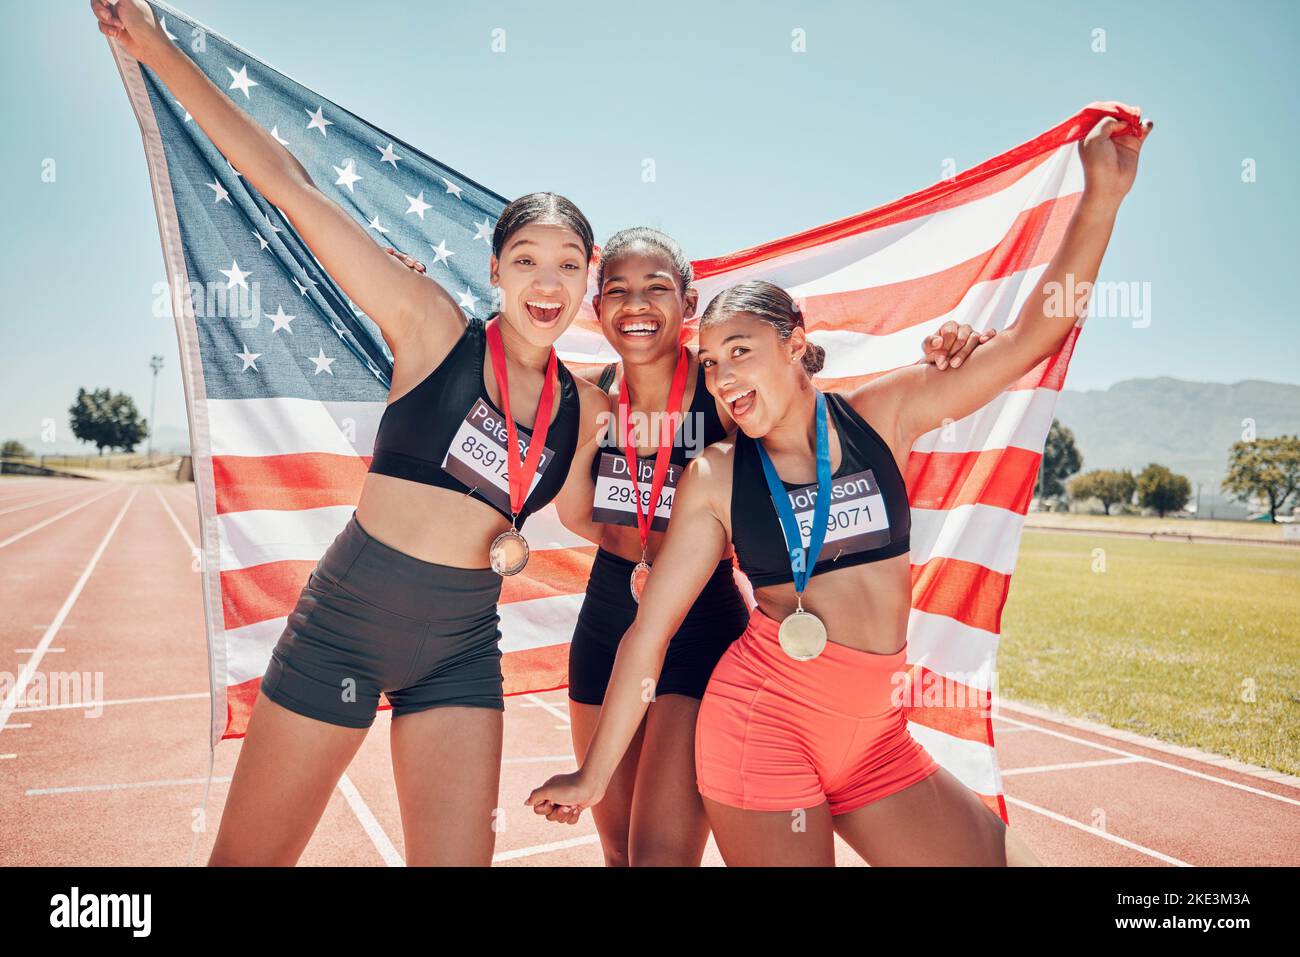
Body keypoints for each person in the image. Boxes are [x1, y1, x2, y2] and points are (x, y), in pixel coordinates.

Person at [526, 106, 1152, 865]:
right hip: (763, 720)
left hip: (874, 736)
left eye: (742, 352)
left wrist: (1103, 198)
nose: (723, 377)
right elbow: (647, 632)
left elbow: (1033, 339)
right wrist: (594, 774)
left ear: (797, 346)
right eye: (715, 363)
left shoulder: (883, 415)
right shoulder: (716, 473)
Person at [91, 0, 610, 865]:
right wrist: (159, 51)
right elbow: (290, 187)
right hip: (344, 624)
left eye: (567, 265)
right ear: (495, 270)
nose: (546, 282)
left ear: (588, 280)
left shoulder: (587, 409)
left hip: (460, 649)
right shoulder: (431, 324)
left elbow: (605, 521)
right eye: (526, 260)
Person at [388, 229, 994, 866]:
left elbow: (806, 420)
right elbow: (570, 505)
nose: (637, 305)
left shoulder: (724, 393)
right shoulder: (591, 399)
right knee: (619, 850)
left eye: (657, 289)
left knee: (660, 857)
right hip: (609, 622)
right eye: (617, 291)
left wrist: (951, 348)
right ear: (598, 310)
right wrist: (410, 293)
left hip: (704, 628)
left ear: (689, 302)